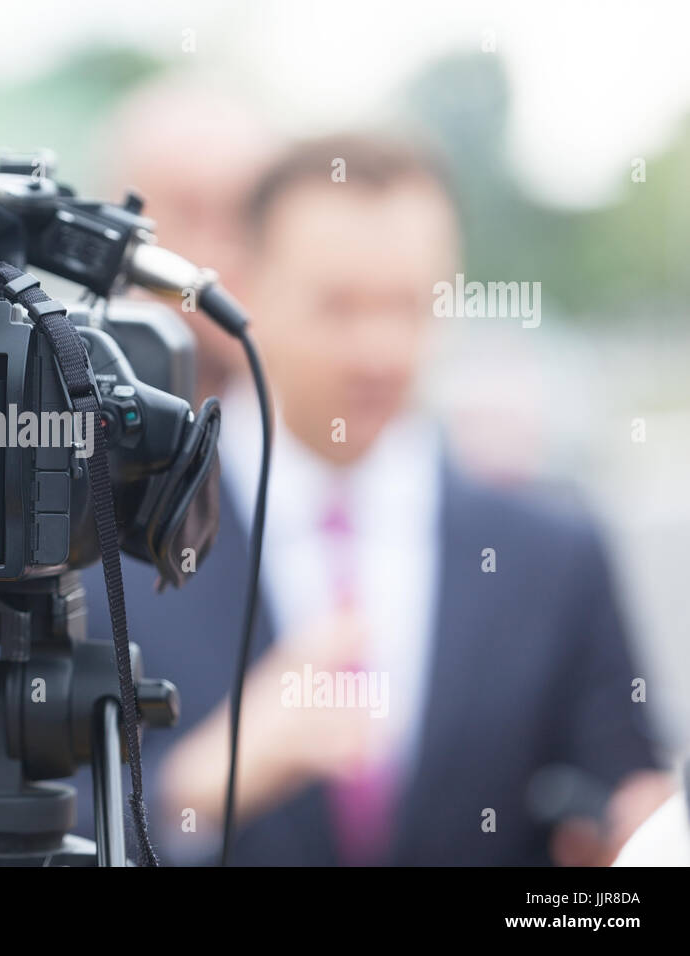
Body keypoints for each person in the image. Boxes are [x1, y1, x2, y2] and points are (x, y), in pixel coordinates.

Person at [82, 81, 666, 865]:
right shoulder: (106, 549)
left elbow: (626, 795)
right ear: (245, 289)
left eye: (413, 306)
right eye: (341, 306)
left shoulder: (553, 554)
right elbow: (38, 827)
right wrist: (193, 792)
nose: (383, 351)